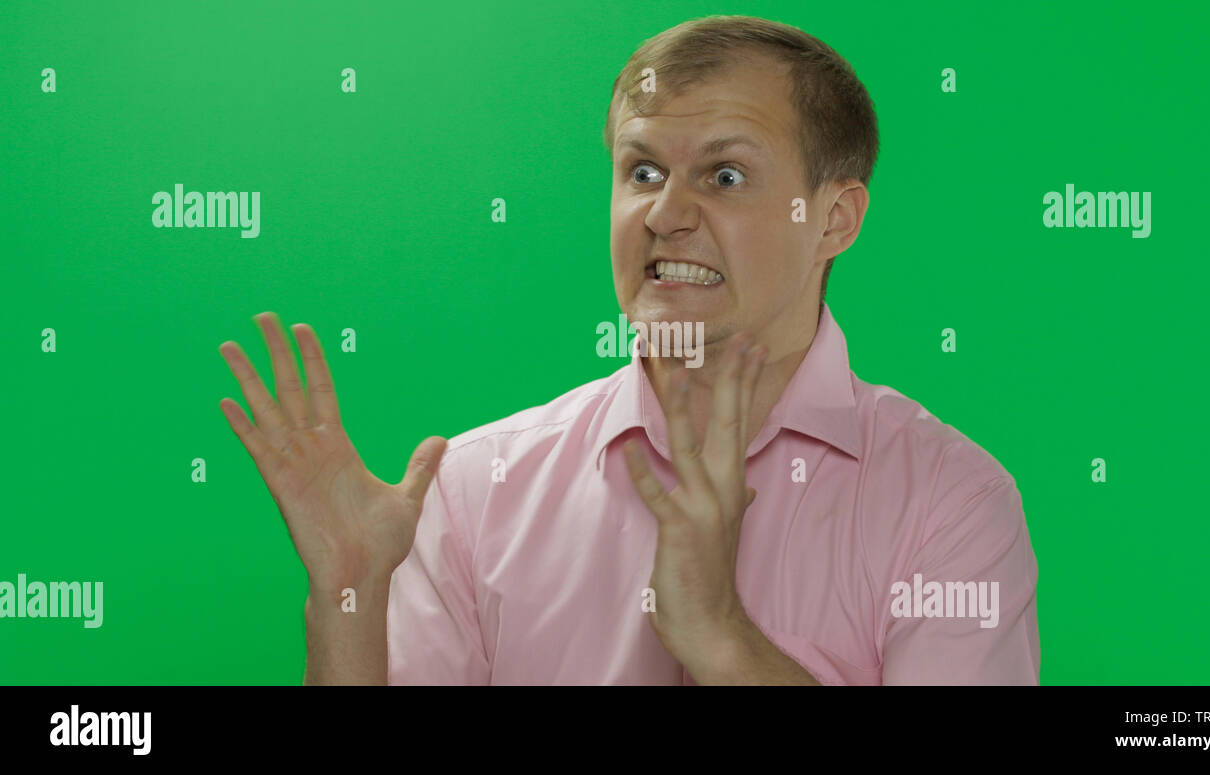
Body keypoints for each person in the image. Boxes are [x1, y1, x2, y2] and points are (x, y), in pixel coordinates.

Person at [217, 15, 1039, 685]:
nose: (664, 214)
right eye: (642, 171)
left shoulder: (952, 504)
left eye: (724, 176)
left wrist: (721, 636)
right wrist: (350, 600)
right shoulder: (472, 491)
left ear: (834, 219)